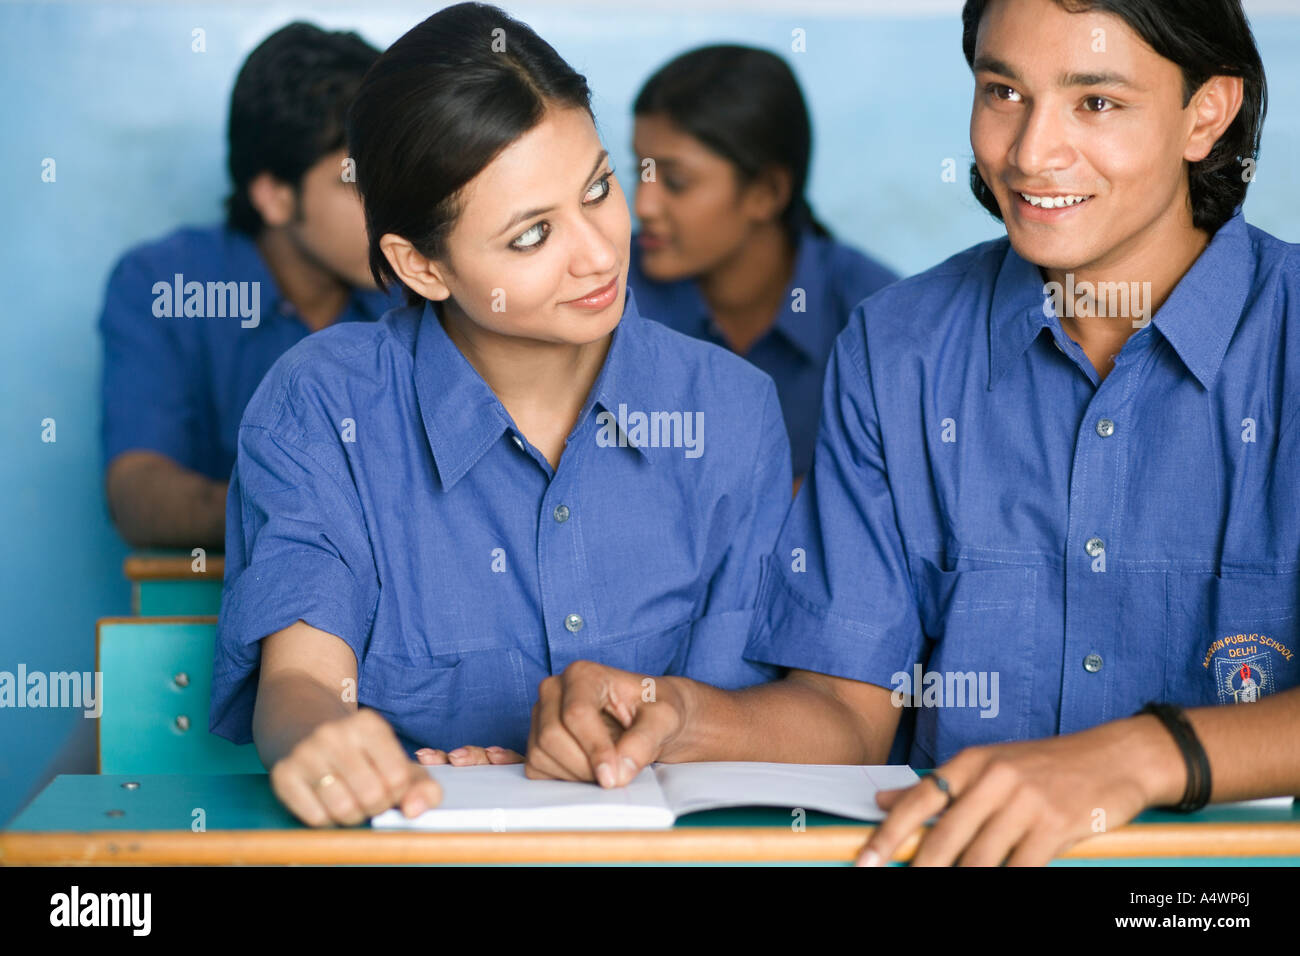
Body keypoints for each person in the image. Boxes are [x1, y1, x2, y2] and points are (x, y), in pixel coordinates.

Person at [522, 0, 1300, 866]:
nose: (1031, 152)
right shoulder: (896, 348)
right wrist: (678, 716)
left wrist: (1137, 757)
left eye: (1097, 103)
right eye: (1003, 92)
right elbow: (848, 714)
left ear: (1207, 113)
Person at [209, 2, 792, 828]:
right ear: (422, 265)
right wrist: (337, 743)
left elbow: (731, 718)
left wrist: (608, 754)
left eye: (598, 188)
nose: (598, 252)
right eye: (531, 237)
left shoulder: (729, 411)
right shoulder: (324, 406)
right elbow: (301, 681)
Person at [99, 22, 397, 550]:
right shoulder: (161, 285)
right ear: (274, 196)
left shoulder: (418, 283)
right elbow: (135, 494)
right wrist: (303, 506)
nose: (393, 205)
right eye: (356, 181)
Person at [627, 45, 898, 486]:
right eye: (641, 171)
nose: (643, 205)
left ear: (766, 192)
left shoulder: (878, 323)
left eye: (675, 182)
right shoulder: (607, 296)